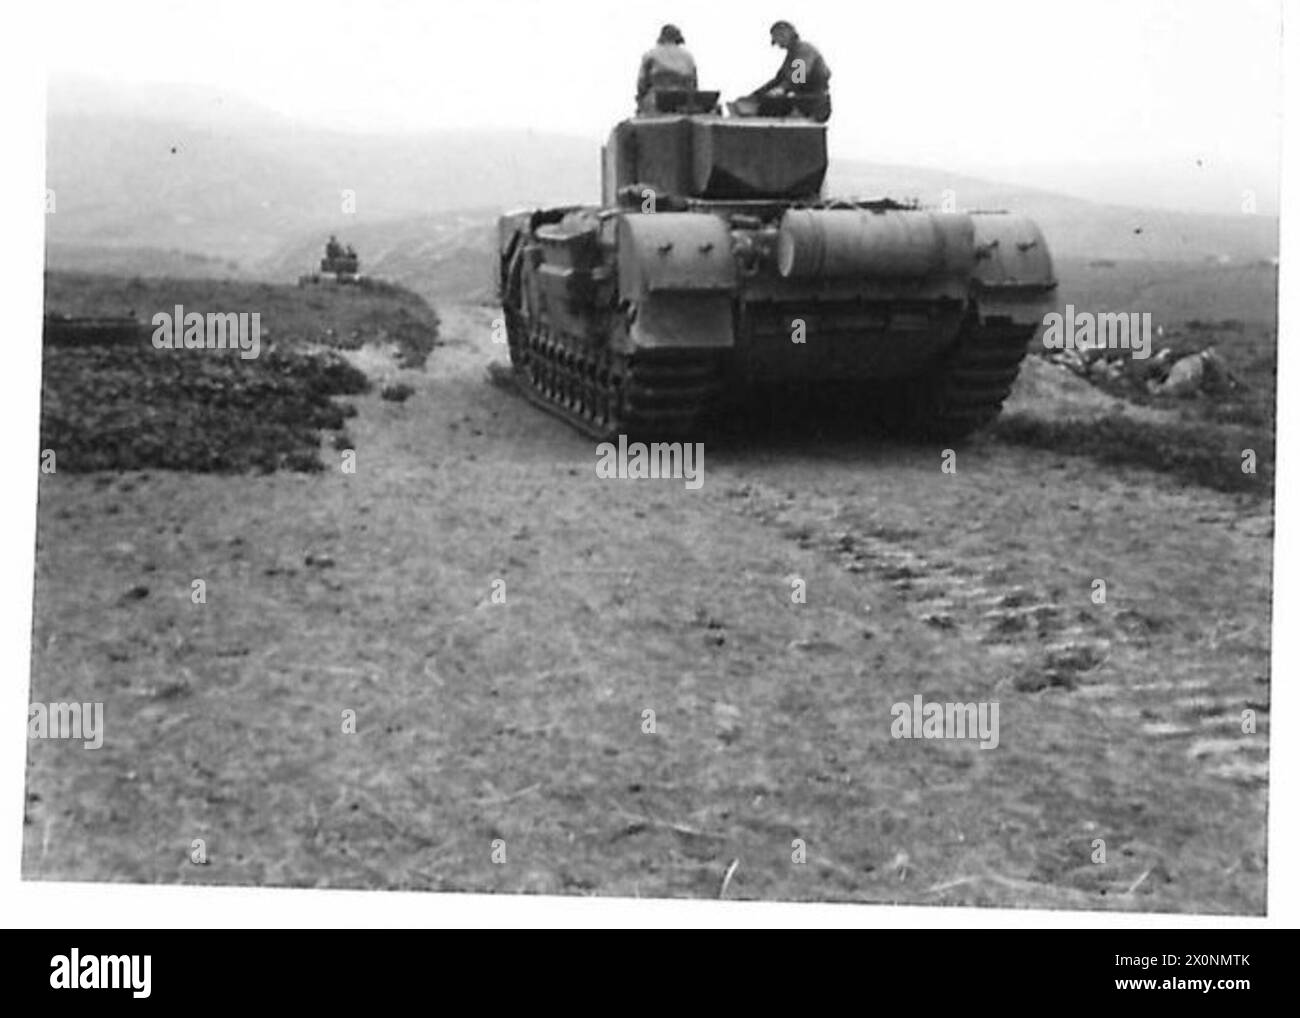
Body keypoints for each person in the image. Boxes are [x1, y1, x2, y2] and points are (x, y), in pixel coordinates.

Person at [752, 20, 831, 122]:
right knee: (765, 106)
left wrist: (782, 89)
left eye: (778, 38)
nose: (778, 44)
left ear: (785, 35)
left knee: (769, 108)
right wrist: (756, 95)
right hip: (802, 100)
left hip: (814, 104)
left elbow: (798, 77)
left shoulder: (804, 50)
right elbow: (778, 80)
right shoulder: (792, 54)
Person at [636, 24, 698, 114]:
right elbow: (694, 83)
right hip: (683, 99)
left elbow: (642, 83)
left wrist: (641, 100)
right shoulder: (688, 57)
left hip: (657, 99)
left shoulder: (650, 55)